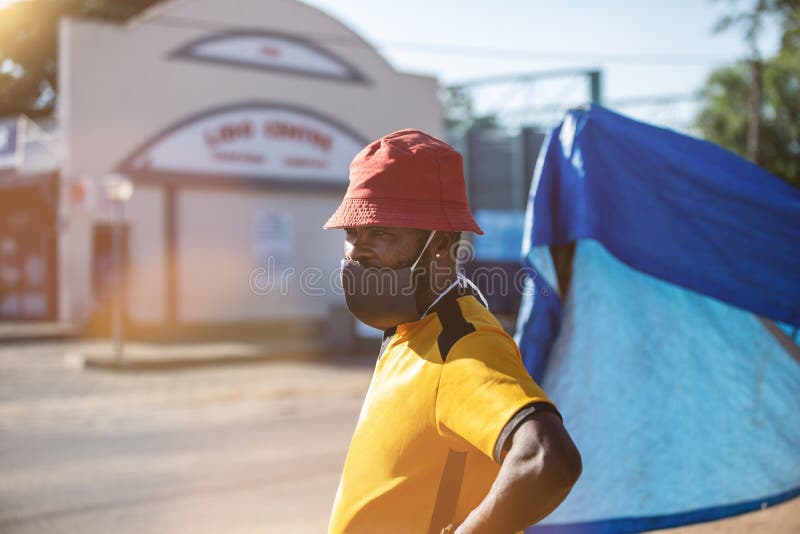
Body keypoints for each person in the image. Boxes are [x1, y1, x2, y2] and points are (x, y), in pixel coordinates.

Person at [324, 129, 581, 534]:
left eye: (382, 233)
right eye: (352, 234)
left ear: (443, 242)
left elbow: (546, 458)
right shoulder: (406, 327)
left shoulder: (461, 346)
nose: (357, 250)